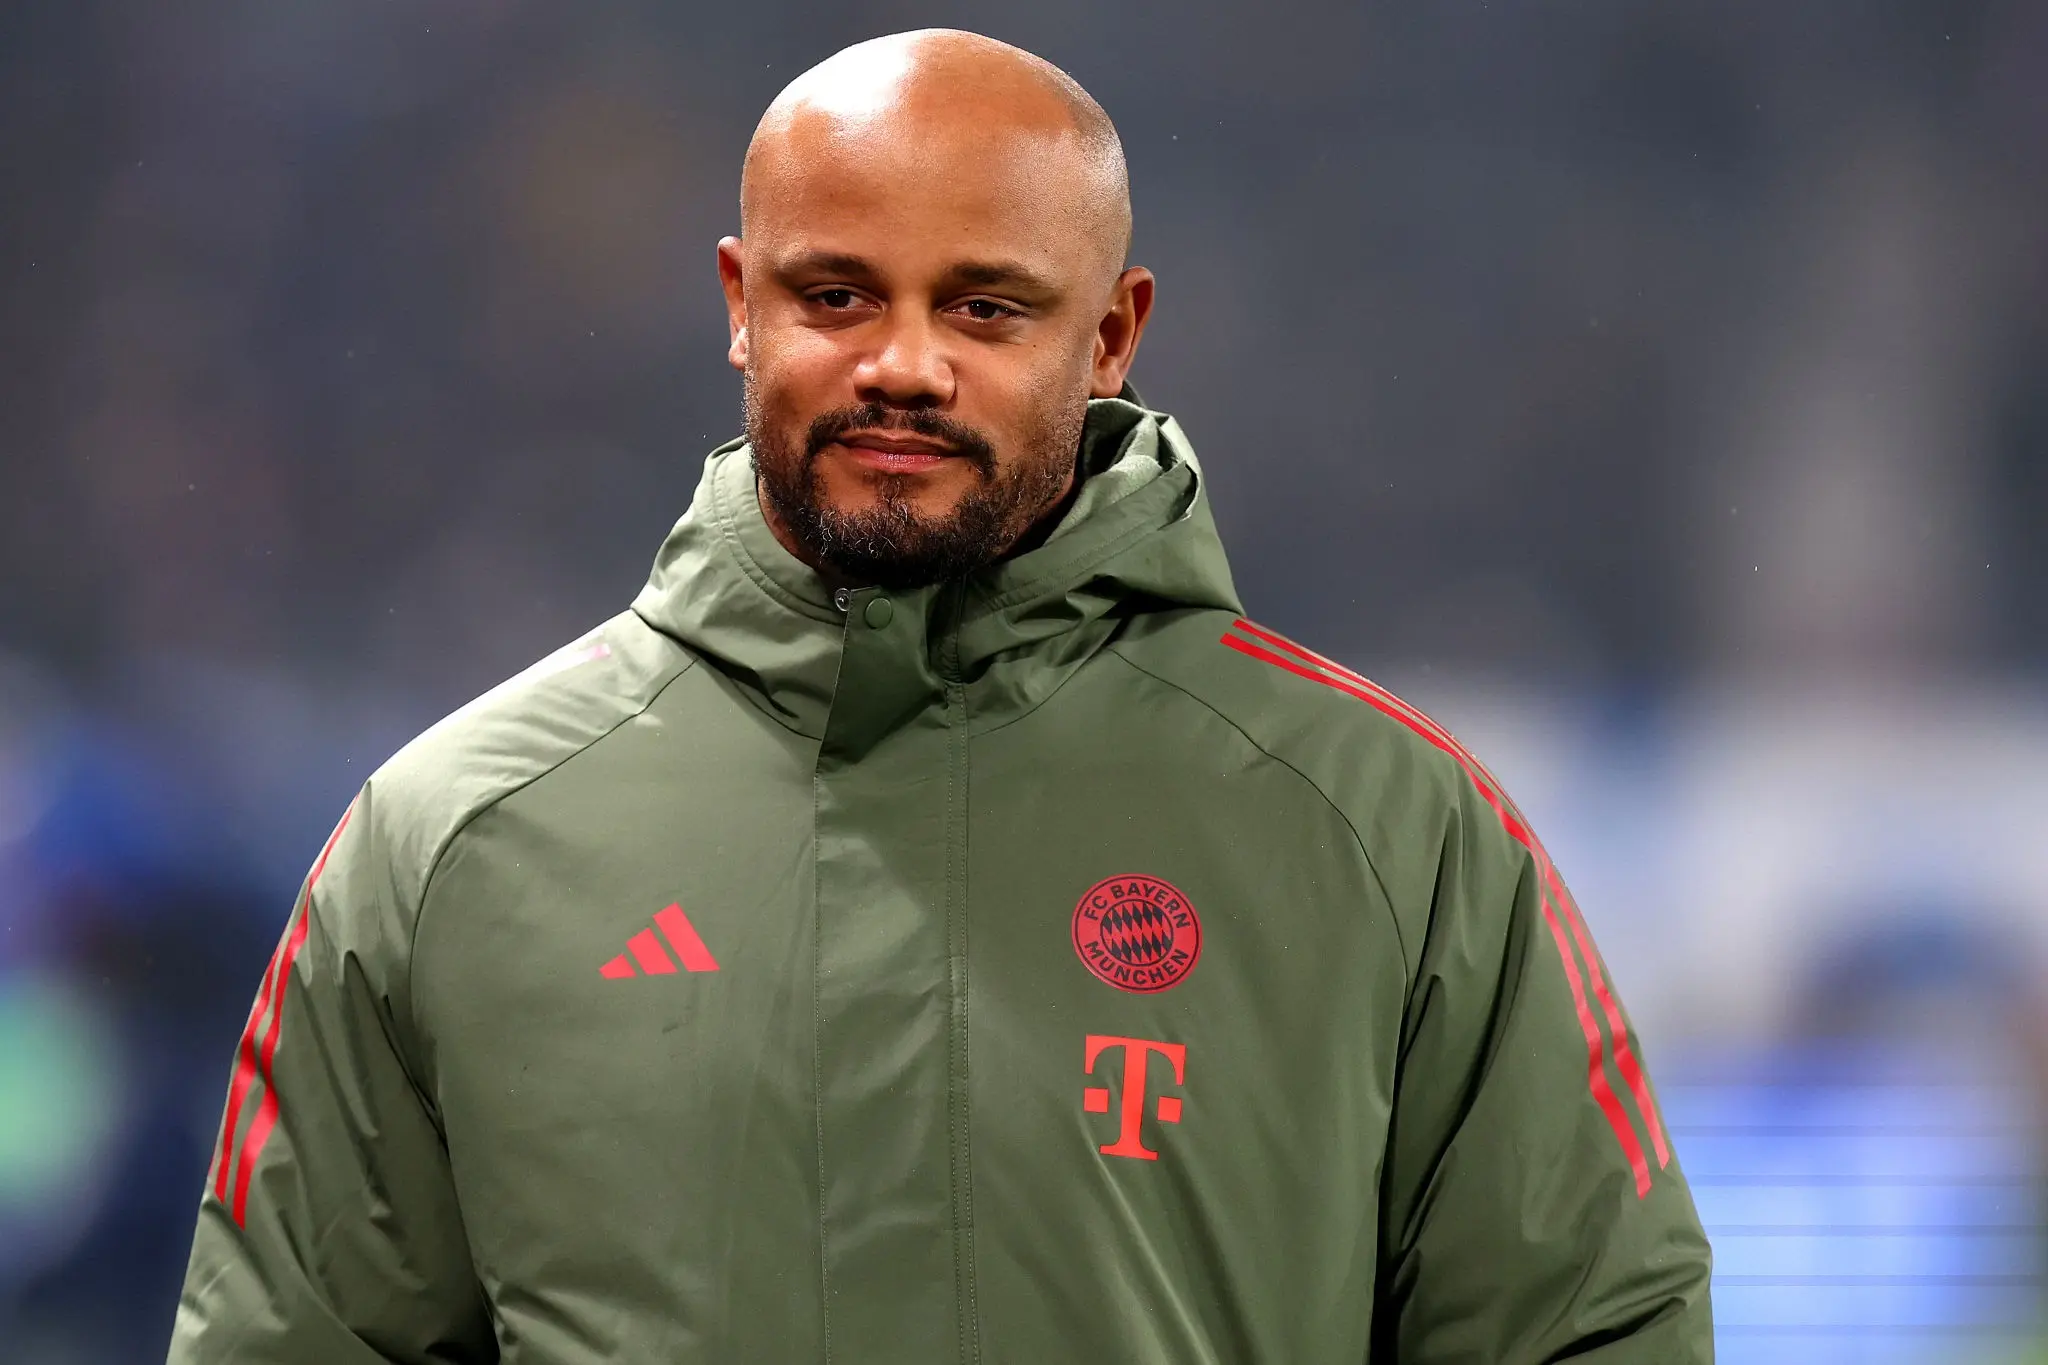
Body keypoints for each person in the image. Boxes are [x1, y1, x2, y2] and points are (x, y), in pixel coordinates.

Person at [169, 28, 1712, 1364]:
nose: (903, 364)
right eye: (838, 295)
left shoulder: (1388, 830)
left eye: (985, 309)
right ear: (740, 301)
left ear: (1111, 336)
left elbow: (1588, 1328)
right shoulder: (453, 838)